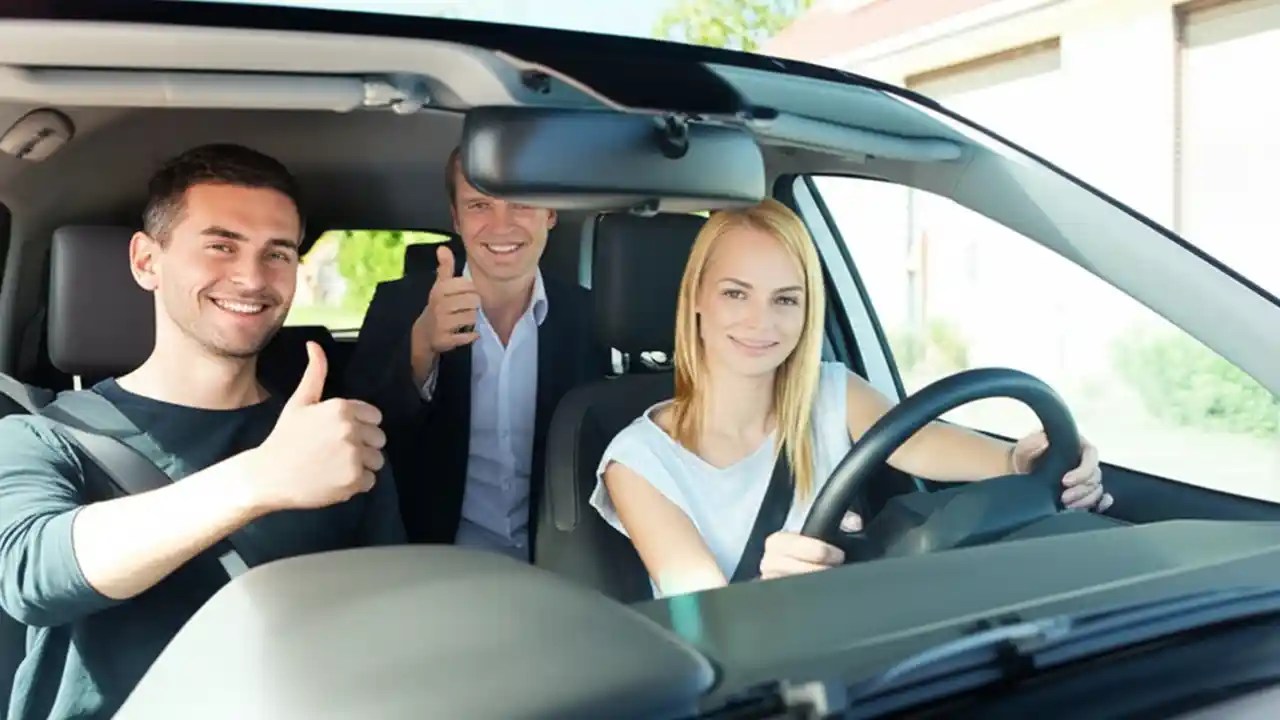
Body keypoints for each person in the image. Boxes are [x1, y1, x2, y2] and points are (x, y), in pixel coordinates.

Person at [0, 144, 404, 720]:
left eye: (278, 254)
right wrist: (263, 479)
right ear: (147, 262)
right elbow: (32, 574)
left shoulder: (335, 444)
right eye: (221, 246)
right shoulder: (41, 437)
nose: (251, 277)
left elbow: (389, 631)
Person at [590, 198, 1111, 599]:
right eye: (735, 293)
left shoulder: (832, 393)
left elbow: (923, 444)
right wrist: (766, 588)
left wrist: (1024, 460)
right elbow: (704, 612)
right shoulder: (638, 461)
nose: (760, 321)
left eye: (785, 300)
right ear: (697, 298)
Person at [347, 147, 609, 557]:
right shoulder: (397, 306)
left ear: (551, 213)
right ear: (456, 218)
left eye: (522, 203)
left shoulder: (591, 316)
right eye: (479, 205)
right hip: (437, 562)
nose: (501, 226)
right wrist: (421, 350)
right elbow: (362, 444)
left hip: (557, 564)